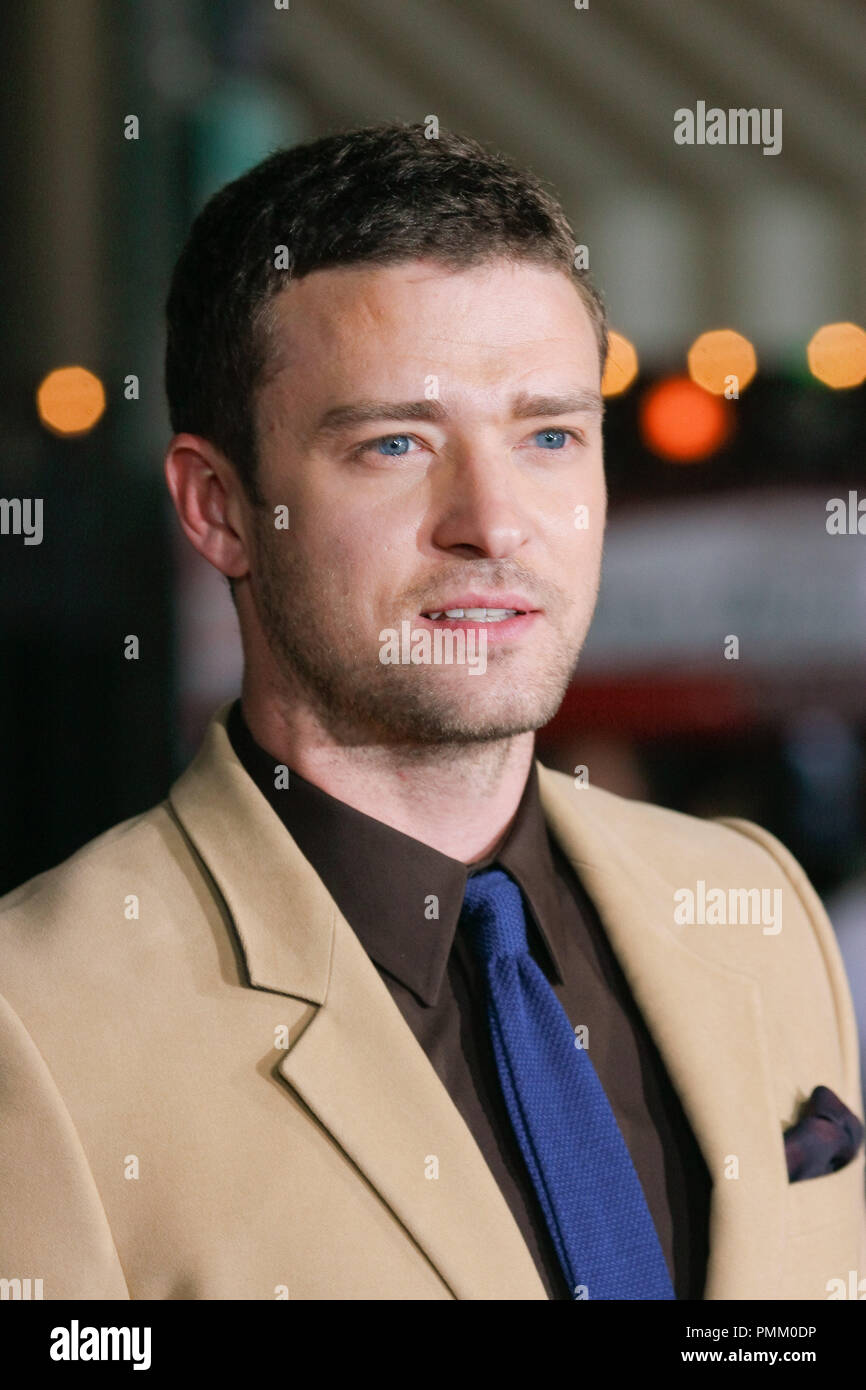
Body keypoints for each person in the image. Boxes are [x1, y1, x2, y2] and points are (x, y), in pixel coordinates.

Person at [1, 123, 863, 1302]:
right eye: (395, 444)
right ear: (218, 509)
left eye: (548, 435)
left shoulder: (755, 909)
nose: (493, 521)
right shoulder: (36, 1024)